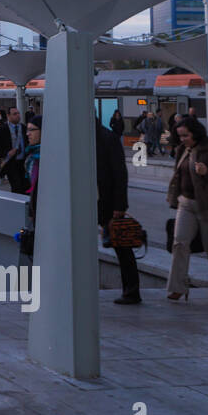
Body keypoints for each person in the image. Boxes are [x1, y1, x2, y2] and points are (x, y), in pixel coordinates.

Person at [165, 115, 208, 301]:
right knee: (179, 242)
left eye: (186, 135)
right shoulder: (182, 150)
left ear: (195, 133)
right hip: (185, 203)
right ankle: (177, 286)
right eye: (180, 136)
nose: (183, 139)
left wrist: (207, 172)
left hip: (206, 205)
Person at [96, 120, 137, 304]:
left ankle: (131, 290)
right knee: (122, 248)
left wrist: (120, 206)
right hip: (93, 201)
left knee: (122, 246)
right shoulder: (80, 136)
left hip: (106, 203)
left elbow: (120, 174)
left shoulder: (107, 137)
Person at [0, 107, 29, 193]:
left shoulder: (24, 128)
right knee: (17, 186)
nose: (18, 115)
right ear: (8, 116)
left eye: (18, 113)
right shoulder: (2, 130)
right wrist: (6, 153)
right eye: (15, 114)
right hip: (10, 163)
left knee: (26, 186)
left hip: (23, 162)